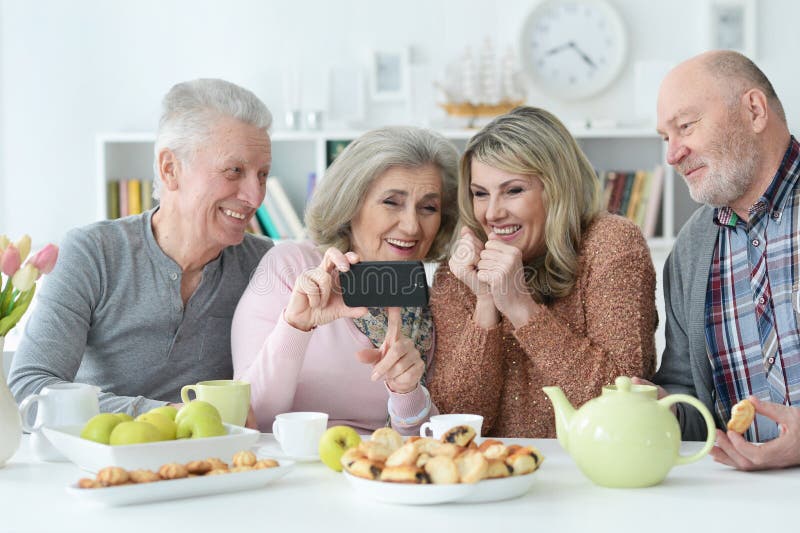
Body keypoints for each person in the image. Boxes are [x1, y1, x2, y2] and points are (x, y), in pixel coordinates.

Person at [9, 79, 274, 416]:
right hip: (101, 462)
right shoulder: (94, 253)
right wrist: (168, 415)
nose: (255, 196)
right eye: (234, 171)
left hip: (216, 464)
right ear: (170, 169)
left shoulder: (265, 264)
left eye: (263, 175)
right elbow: (30, 389)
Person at [427, 106, 657, 438]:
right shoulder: (460, 271)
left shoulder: (611, 244)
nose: (492, 213)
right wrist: (486, 300)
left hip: (595, 471)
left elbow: (622, 404)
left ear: (557, 188)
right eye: (480, 194)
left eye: (513, 190)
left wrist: (521, 307)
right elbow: (458, 423)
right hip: (498, 474)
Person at [231, 126, 459, 435]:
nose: (411, 226)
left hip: (380, 471)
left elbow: (425, 439)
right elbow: (253, 419)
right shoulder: (291, 267)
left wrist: (406, 392)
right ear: (351, 205)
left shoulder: (429, 301)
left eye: (429, 208)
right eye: (392, 202)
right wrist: (296, 327)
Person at [643, 50, 800, 471]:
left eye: (686, 126)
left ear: (754, 110)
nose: (673, 155)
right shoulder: (692, 248)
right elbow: (692, 399)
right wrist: (663, 407)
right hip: (739, 501)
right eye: (665, 137)